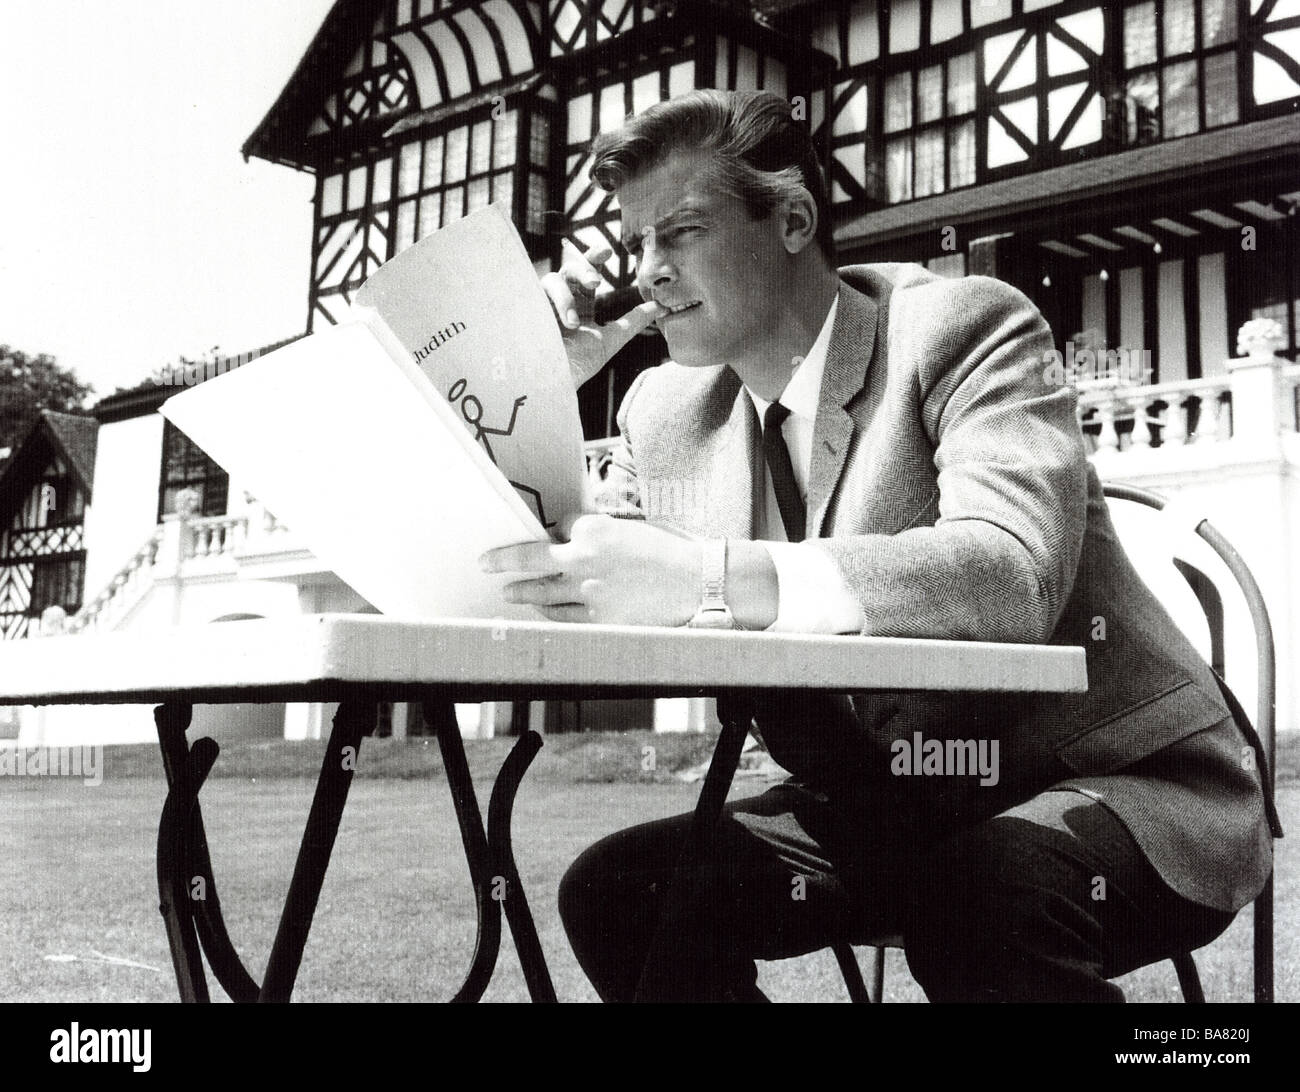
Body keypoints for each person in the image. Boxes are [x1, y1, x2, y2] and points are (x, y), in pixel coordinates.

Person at [480, 89, 1278, 1002]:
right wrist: (528, 388)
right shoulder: (663, 407)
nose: (649, 272)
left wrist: (711, 576)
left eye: (683, 231)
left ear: (792, 219)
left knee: (982, 892)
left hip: (1116, 781)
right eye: (637, 244)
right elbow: (560, 571)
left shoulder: (965, 326)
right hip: (894, 807)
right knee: (626, 892)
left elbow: (1010, 571)